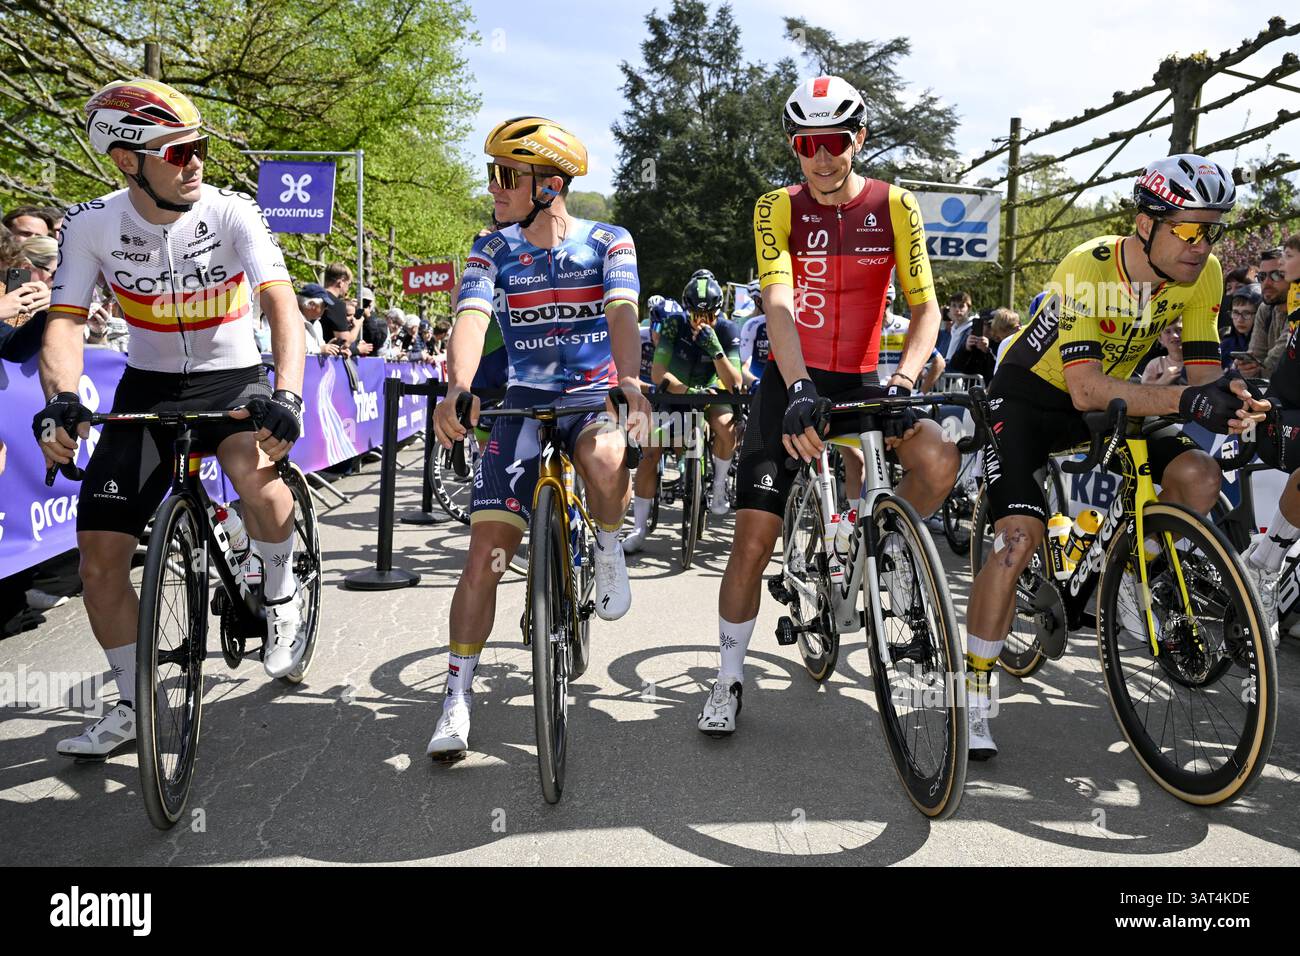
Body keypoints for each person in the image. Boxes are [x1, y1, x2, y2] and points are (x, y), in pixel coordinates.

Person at [33, 78, 308, 758]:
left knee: (253, 472)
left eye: (199, 148)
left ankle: (280, 591)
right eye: (177, 152)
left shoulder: (233, 211)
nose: (195, 163)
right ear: (128, 161)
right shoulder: (91, 223)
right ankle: (135, 703)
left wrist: (288, 394)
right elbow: (64, 321)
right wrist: (60, 399)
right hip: (148, 389)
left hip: (233, 375)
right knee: (100, 559)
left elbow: (281, 304)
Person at [966, 153, 1254, 761]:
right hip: (1033, 396)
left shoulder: (1203, 275)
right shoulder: (1089, 267)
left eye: (1212, 231)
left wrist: (1237, 401)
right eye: (1189, 229)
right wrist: (1187, 398)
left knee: (1198, 476)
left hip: (1117, 396)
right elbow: (1084, 389)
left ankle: (1130, 571)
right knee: (1017, 539)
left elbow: (1204, 375)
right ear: (1145, 224)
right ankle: (972, 688)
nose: (1202, 246)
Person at [697, 75, 957, 736]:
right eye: (806, 143)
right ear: (794, 145)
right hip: (793, 380)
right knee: (754, 539)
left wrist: (905, 380)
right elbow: (778, 302)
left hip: (866, 380)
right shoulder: (776, 207)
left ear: (858, 139)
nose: (820, 156)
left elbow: (925, 308)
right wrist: (798, 387)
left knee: (938, 460)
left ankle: (889, 547)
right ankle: (728, 678)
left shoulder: (895, 205)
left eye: (834, 141)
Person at [428, 115, 650, 757]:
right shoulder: (490, 248)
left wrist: (629, 380)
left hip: (591, 397)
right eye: (492, 173)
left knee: (605, 456)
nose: (492, 186)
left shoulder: (609, 241)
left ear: (550, 185)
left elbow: (622, 311)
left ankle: (607, 543)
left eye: (506, 175)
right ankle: (456, 697)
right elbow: (471, 317)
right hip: (523, 402)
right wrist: (459, 387)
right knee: (485, 555)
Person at [623, 273, 742, 551]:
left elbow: (735, 383)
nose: (702, 321)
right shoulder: (673, 325)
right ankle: (638, 529)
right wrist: (687, 391)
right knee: (650, 449)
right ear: (686, 309)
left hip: (712, 392)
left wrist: (716, 350)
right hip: (677, 393)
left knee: (726, 425)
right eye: (695, 314)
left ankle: (719, 486)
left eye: (708, 315)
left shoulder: (727, 330)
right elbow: (658, 373)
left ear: (718, 312)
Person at [1240, 234, 1300, 639]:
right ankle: (1264, 562)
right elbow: (1273, 364)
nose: (1280, 267)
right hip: (1280, 412)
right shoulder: (1285, 302)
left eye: (1288, 257)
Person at [878, 283, 946, 389]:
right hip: (873, 390)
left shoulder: (906, 326)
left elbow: (939, 362)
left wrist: (921, 392)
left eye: (885, 303)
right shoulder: (864, 327)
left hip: (897, 389)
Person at [1242, 247, 1292, 378]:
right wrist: (1248, 367)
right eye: (1262, 276)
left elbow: (1278, 360)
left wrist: (1258, 370)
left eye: (1276, 275)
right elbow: (1256, 355)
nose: (1266, 283)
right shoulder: (1265, 309)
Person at [738, 281, 771, 392]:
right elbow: (743, 367)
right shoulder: (750, 325)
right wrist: (755, 383)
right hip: (756, 383)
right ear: (758, 301)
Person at [1220, 284, 1260, 368]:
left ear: (1259, 314)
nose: (1239, 320)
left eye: (1246, 313)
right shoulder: (1226, 345)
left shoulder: (1265, 344)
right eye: (1235, 313)